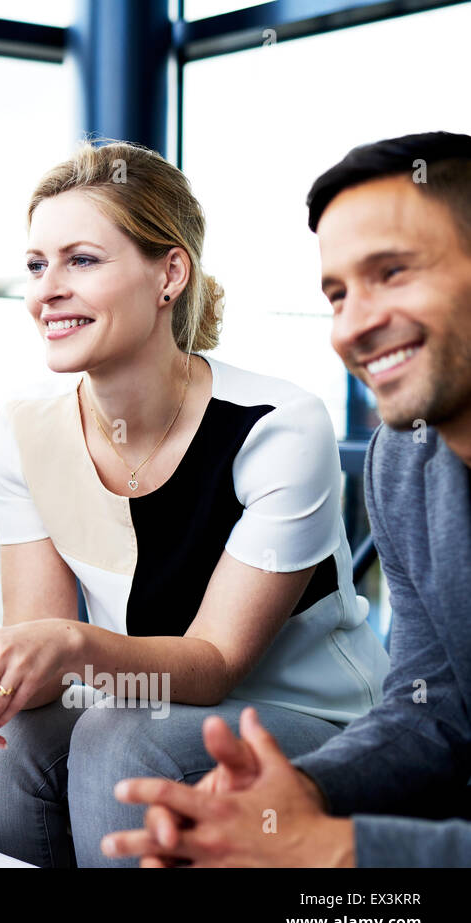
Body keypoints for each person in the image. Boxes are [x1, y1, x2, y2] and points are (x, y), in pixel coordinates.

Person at [0, 140, 390, 867]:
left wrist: (72, 645)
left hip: (312, 721)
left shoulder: (276, 423)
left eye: (81, 260)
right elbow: (44, 649)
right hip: (131, 703)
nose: (47, 288)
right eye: (36, 264)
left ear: (169, 273)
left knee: (123, 738)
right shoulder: (25, 428)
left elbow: (213, 664)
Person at [103, 130, 471, 867]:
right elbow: (435, 710)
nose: (353, 324)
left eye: (392, 273)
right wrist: (289, 796)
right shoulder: (404, 460)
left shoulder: (283, 425)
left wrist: (343, 850)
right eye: (337, 293)